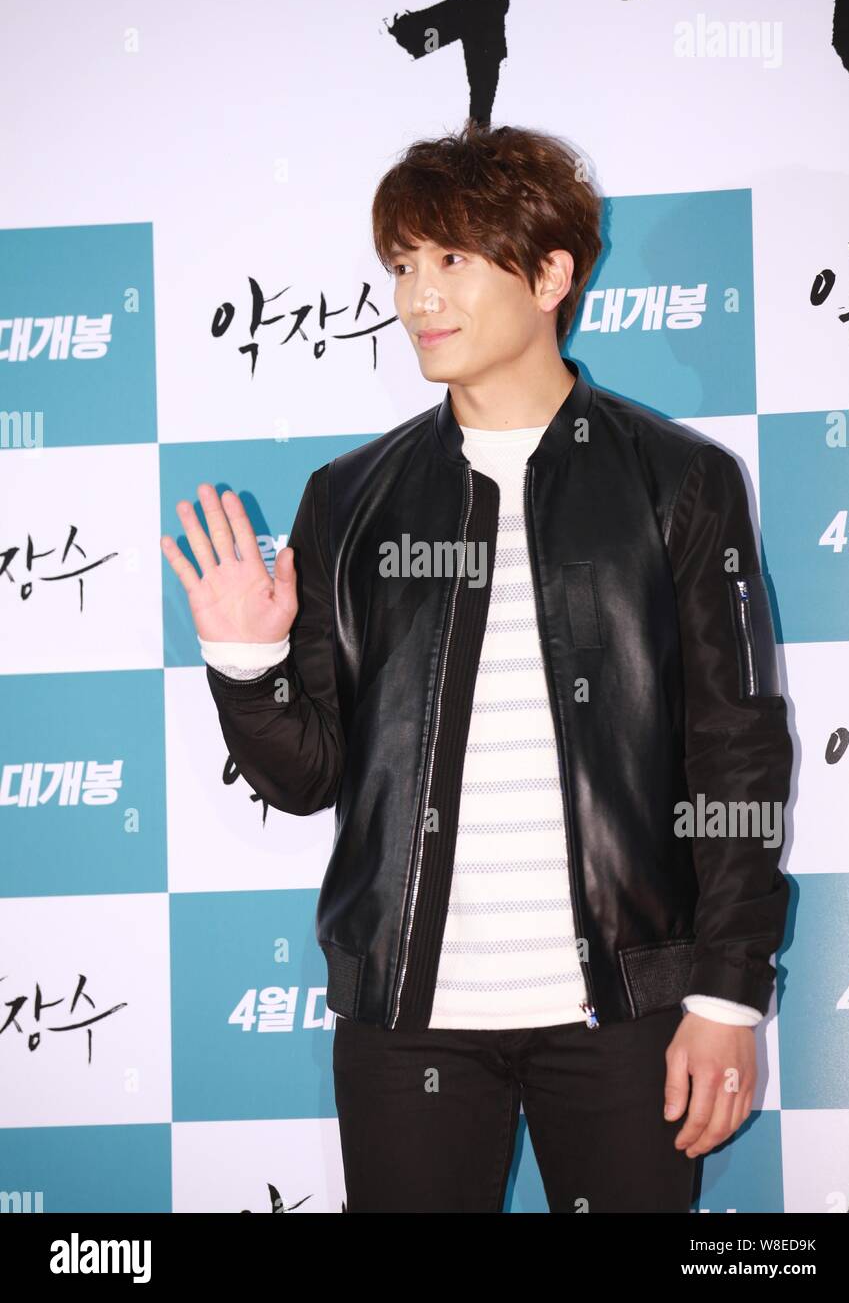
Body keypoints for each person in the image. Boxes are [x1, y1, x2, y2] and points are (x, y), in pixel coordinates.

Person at [160, 119, 793, 1213]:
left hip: (626, 1015)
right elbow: (305, 775)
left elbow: (733, 757)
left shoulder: (677, 482)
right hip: (404, 1022)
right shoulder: (349, 500)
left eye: (449, 259)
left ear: (550, 273)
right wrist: (244, 655)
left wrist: (725, 998)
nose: (416, 297)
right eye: (402, 264)